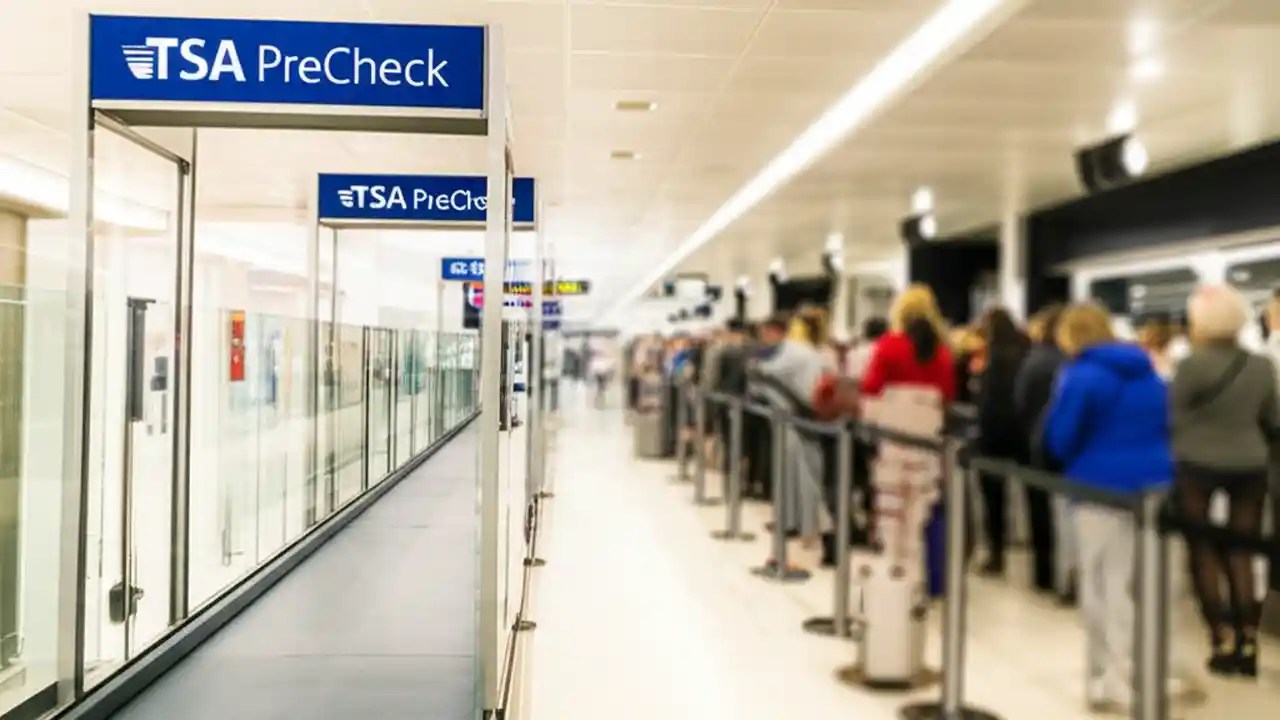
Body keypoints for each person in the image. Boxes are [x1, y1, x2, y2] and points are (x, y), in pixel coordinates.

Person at [1043, 303, 1172, 712]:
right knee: (1133, 584)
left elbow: (1061, 438)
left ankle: (1107, 676)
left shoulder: (1081, 376)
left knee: (1099, 585)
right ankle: (1136, 667)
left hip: (1098, 488)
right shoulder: (1148, 371)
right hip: (1151, 487)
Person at [1171, 284, 1279, 677]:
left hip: (1197, 465)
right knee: (1243, 550)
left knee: (1202, 551)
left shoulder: (1189, 366)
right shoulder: (1261, 366)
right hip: (1250, 465)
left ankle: (1221, 638)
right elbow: (1273, 421)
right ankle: (1250, 641)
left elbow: (1173, 418)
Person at [861, 284, 955, 596]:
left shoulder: (889, 345)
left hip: (894, 440)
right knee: (919, 515)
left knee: (891, 514)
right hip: (927, 442)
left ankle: (893, 577)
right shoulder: (942, 351)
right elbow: (948, 395)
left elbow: (872, 387)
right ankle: (917, 580)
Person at [752, 313, 832, 569]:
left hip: (801, 419)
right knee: (793, 473)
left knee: (806, 475)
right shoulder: (806, 351)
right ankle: (794, 522)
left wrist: (754, 367)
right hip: (795, 418)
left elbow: (767, 373)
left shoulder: (794, 352)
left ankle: (809, 527)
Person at [1014, 304, 1070, 602]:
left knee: (1041, 513)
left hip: (1037, 447)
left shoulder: (1034, 361)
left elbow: (1021, 403)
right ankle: (1069, 578)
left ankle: (1044, 574)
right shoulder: (1071, 362)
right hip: (1070, 453)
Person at [974, 307, 1030, 578]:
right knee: (1035, 499)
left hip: (994, 435)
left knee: (994, 499)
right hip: (1023, 433)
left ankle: (996, 555)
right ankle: (1044, 567)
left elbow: (988, 402)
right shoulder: (1026, 352)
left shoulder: (993, 358)